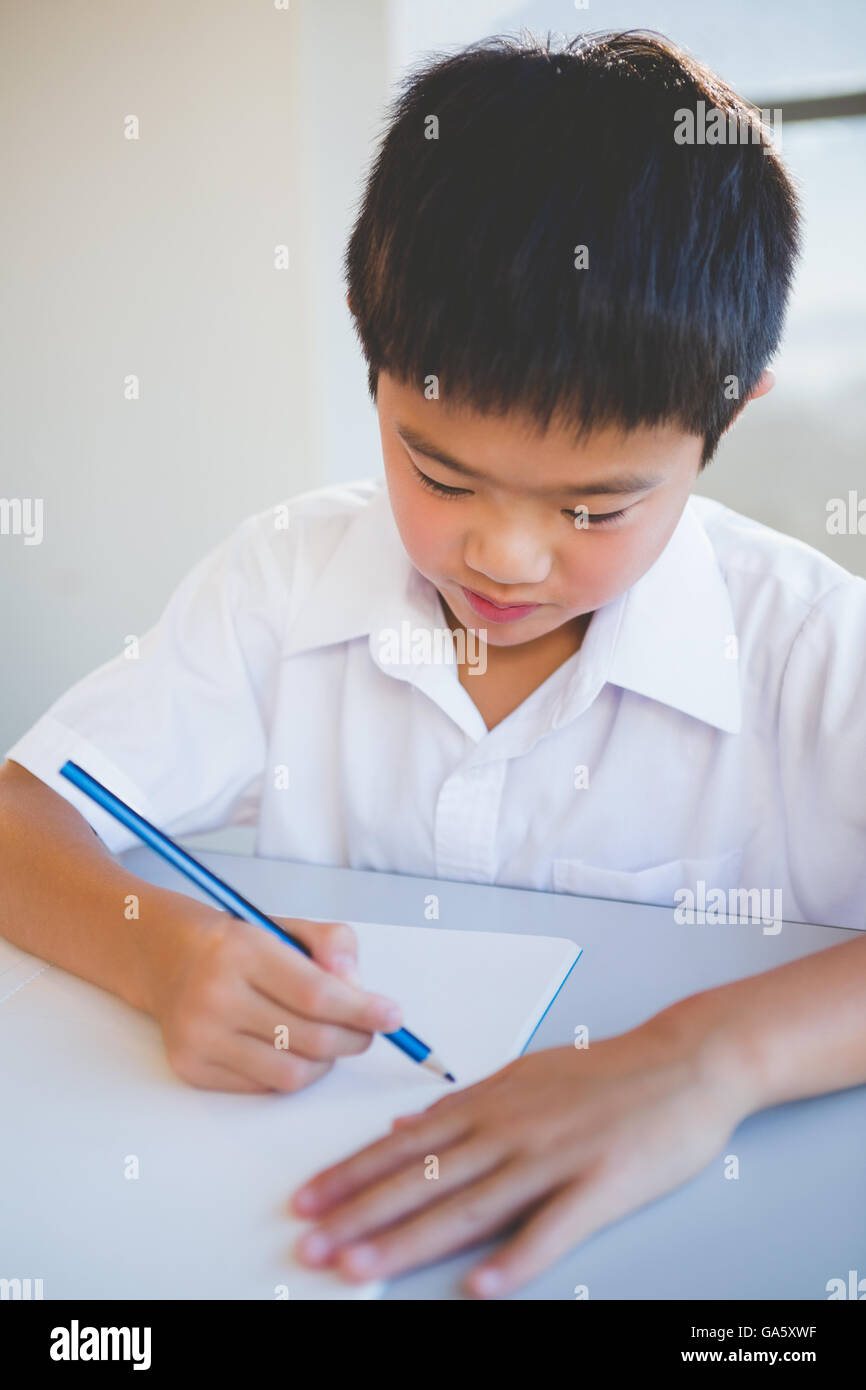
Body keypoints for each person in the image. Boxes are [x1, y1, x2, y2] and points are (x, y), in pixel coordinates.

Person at [1, 30, 864, 1298]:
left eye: (594, 507)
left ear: (727, 414)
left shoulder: (806, 645)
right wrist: (161, 950)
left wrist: (702, 1060)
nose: (505, 556)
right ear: (373, 371)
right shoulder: (281, 579)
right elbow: (25, 817)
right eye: (438, 471)